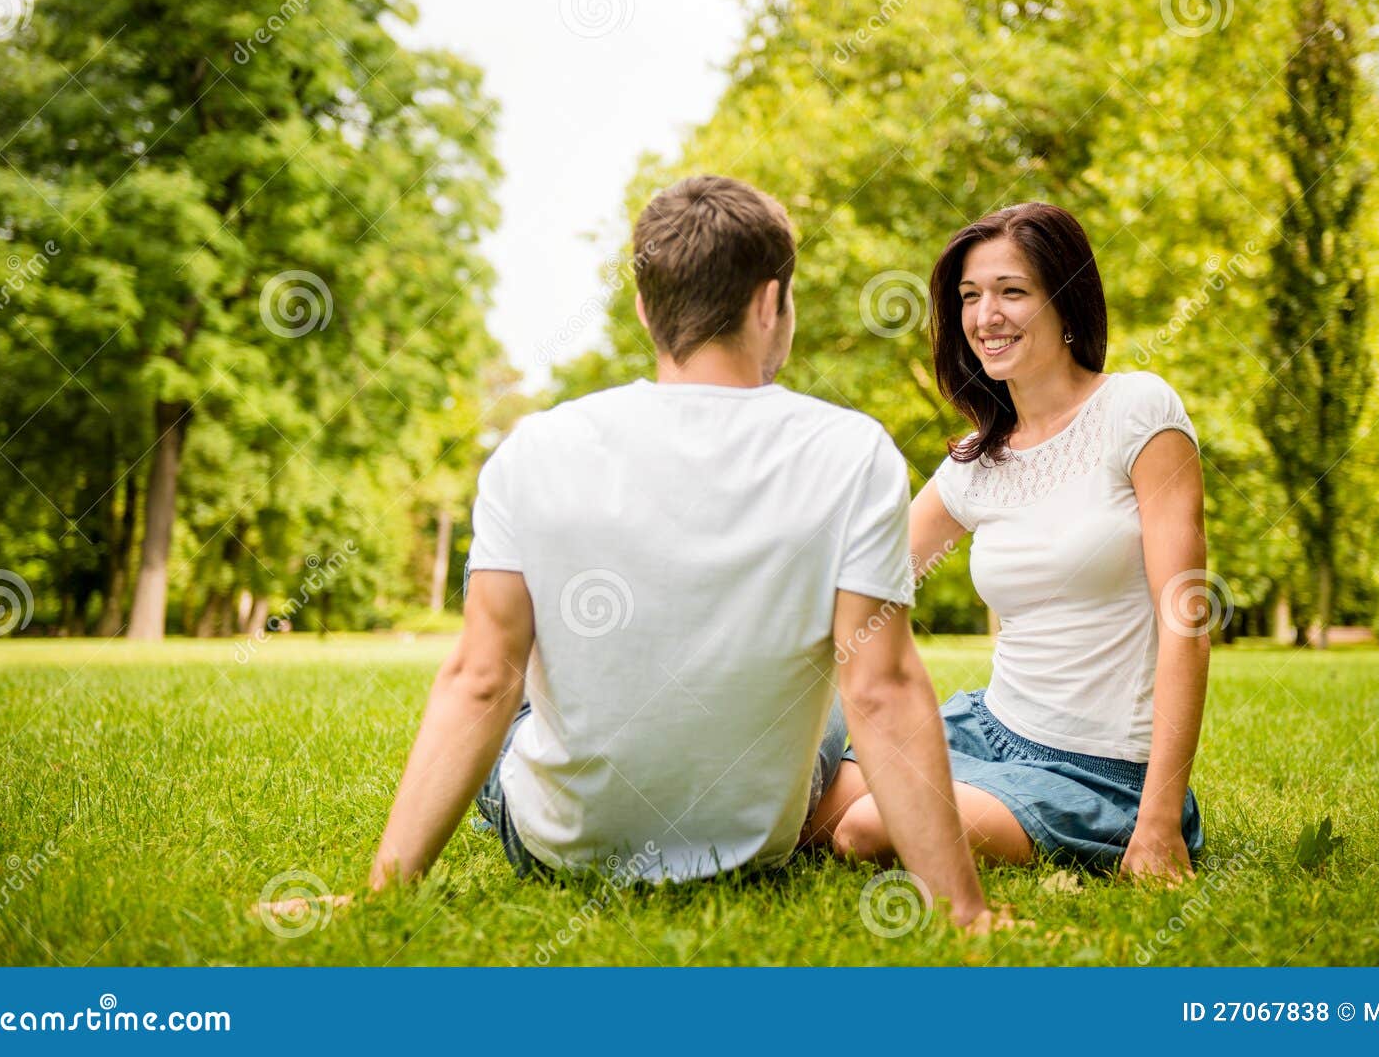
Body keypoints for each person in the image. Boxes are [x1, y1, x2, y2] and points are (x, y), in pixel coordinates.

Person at [365, 175, 997, 926]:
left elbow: (479, 681)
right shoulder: (853, 452)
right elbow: (881, 691)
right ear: (771, 303)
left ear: (644, 308)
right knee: (830, 699)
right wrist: (965, 911)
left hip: (560, 847)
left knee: (515, 666)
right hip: (755, 846)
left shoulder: (534, 448)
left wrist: (381, 895)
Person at [824, 203, 1211, 883]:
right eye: (970, 297)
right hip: (986, 731)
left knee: (863, 829)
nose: (985, 316)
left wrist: (1156, 824)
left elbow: (1186, 624)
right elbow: (865, 580)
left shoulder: (1138, 411)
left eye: (1012, 292)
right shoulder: (978, 461)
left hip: (1101, 772)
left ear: (1067, 301)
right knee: (803, 810)